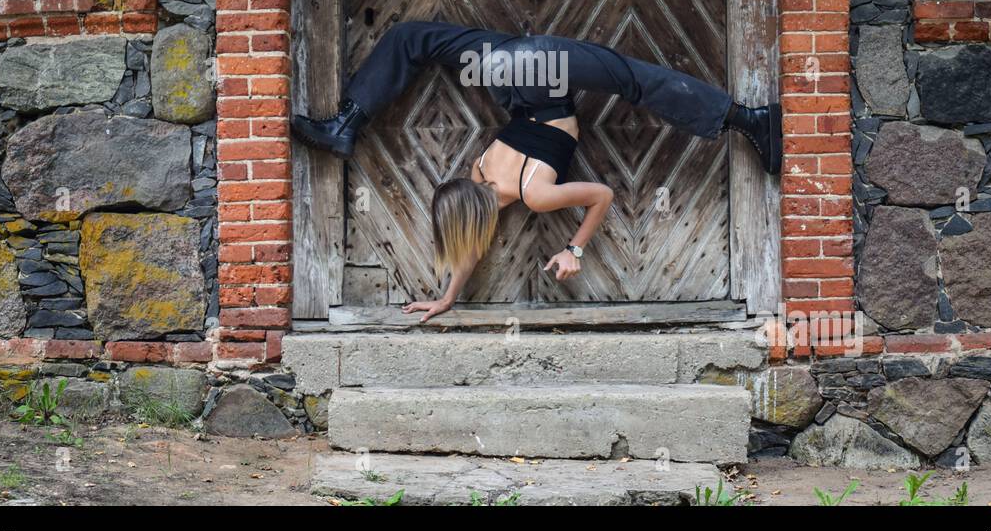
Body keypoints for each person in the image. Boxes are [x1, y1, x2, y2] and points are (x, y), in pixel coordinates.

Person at [291, 20, 781, 322]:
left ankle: (748, 119)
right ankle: (347, 122)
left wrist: (575, 249)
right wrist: (445, 298)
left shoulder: (533, 195)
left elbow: (604, 195)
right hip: (509, 67)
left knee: (631, 80)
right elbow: (468, 247)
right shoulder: (480, 172)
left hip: (533, 67)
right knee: (413, 37)